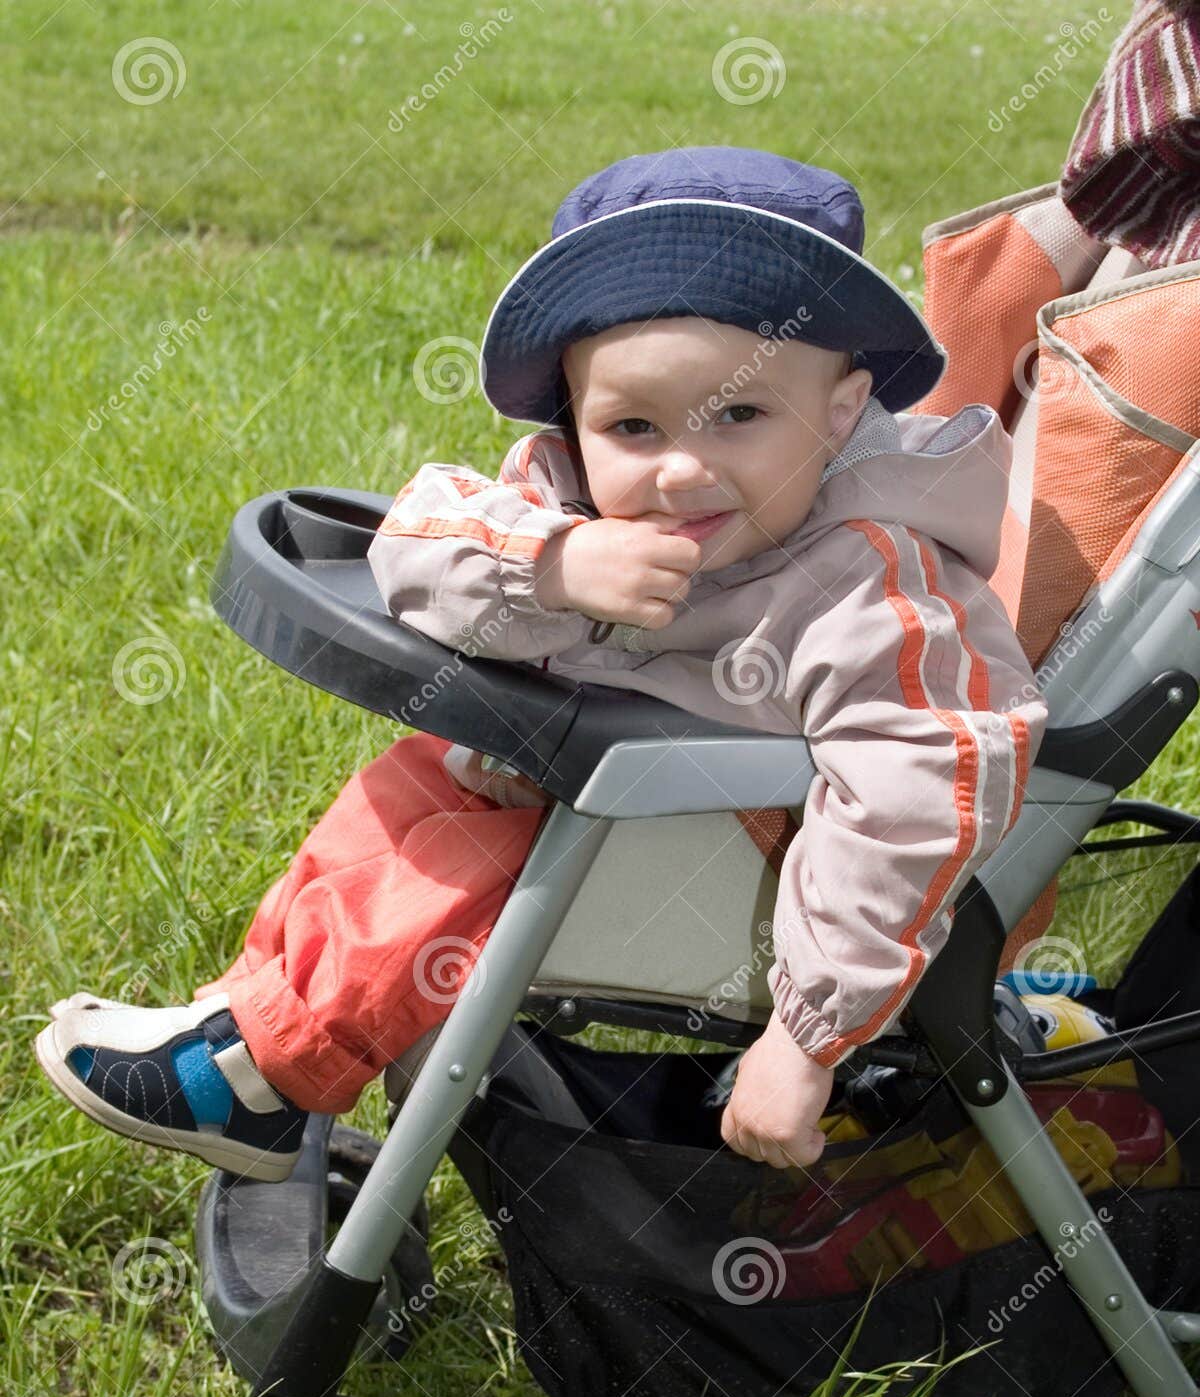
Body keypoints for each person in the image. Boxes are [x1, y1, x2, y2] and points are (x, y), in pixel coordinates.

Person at [35, 146, 1048, 1182]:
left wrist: (808, 1033)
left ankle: (262, 1072)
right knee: (412, 790)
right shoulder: (571, 495)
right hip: (592, 797)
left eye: (740, 415)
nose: (680, 467)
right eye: (633, 425)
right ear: (575, 418)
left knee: (470, 865)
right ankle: (243, 1026)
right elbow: (417, 543)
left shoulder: (870, 583)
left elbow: (927, 785)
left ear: (840, 413)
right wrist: (554, 566)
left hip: (769, 880)